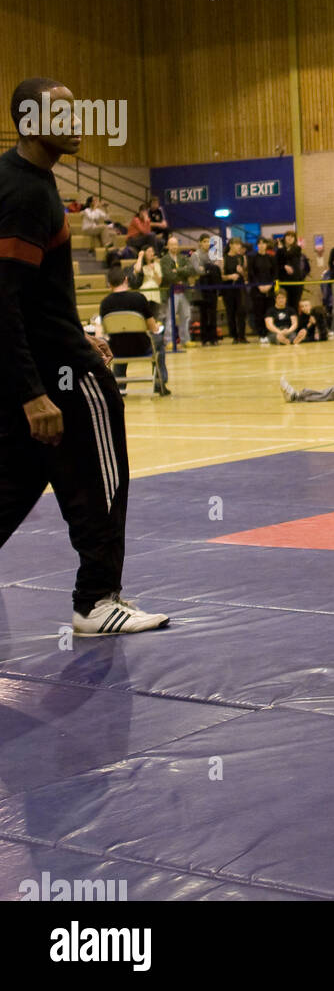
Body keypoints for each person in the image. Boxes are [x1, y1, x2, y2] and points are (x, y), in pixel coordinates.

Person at [0, 76, 169, 634]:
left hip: (45, 361)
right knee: (102, 476)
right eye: (62, 113)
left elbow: (33, 293)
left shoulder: (26, 181)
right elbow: (4, 301)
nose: (77, 122)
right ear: (28, 121)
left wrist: (74, 327)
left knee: (14, 479)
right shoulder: (26, 193)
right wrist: (34, 393)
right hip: (58, 378)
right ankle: (97, 600)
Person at [99, 268, 170, 396]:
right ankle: (160, 383)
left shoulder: (105, 303)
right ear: (126, 279)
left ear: (109, 284)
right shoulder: (138, 298)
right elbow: (153, 328)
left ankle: (119, 387)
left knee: (118, 340)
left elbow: (104, 331)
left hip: (117, 350)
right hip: (142, 347)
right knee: (159, 340)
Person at [158, 235, 194, 348]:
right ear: (168, 246)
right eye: (172, 244)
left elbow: (189, 270)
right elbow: (168, 274)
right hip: (171, 293)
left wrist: (177, 270)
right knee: (170, 317)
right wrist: (179, 276)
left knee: (186, 316)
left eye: (176, 244)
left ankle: (185, 339)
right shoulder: (164, 259)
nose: (174, 247)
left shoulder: (183, 258)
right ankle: (168, 340)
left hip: (184, 292)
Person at [248, 238, 278, 336]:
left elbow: (275, 273)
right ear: (257, 245)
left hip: (269, 289)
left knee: (269, 312)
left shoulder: (271, 258)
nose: (261, 245)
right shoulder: (253, 258)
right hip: (257, 290)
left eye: (263, 243)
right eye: (259, 244)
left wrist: (270, 285)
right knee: (258, 313)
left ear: (266, 245)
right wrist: (259, 286)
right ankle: (261, 334)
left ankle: (270, 333)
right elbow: (251, 274)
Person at [222, 238, 249, 343]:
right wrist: (230, 277)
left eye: (240, 245)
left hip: (240, 288)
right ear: (231, 245)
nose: (239, 247)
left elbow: (246, 276)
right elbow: (221, 276)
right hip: (228, 289)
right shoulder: (224, 258)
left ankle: (242, 336)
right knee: (231, 312)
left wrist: (242, 272)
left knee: (241, 311)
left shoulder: (242, 258)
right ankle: (234, 336)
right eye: (237, 245)